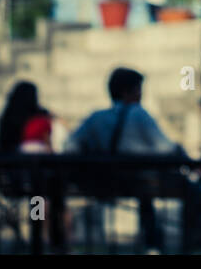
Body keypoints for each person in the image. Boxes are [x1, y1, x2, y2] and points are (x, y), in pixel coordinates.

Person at [67, 68, 189, 251]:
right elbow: (165, 148)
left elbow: (71, 146)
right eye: (138, 89)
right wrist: (180, 150)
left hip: (106, 181)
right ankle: (174, 244)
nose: (141, 94)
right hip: (141, 182)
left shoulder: (96, 117)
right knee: (194, 192)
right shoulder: (138, 114)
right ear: (127, 92)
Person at [0, 81, 67, 250]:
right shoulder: (37, 117)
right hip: (37, 179)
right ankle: (50, 240)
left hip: (18, 177)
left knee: (39, 204)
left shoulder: (9, 118)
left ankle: (39, 238)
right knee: (46, 202)